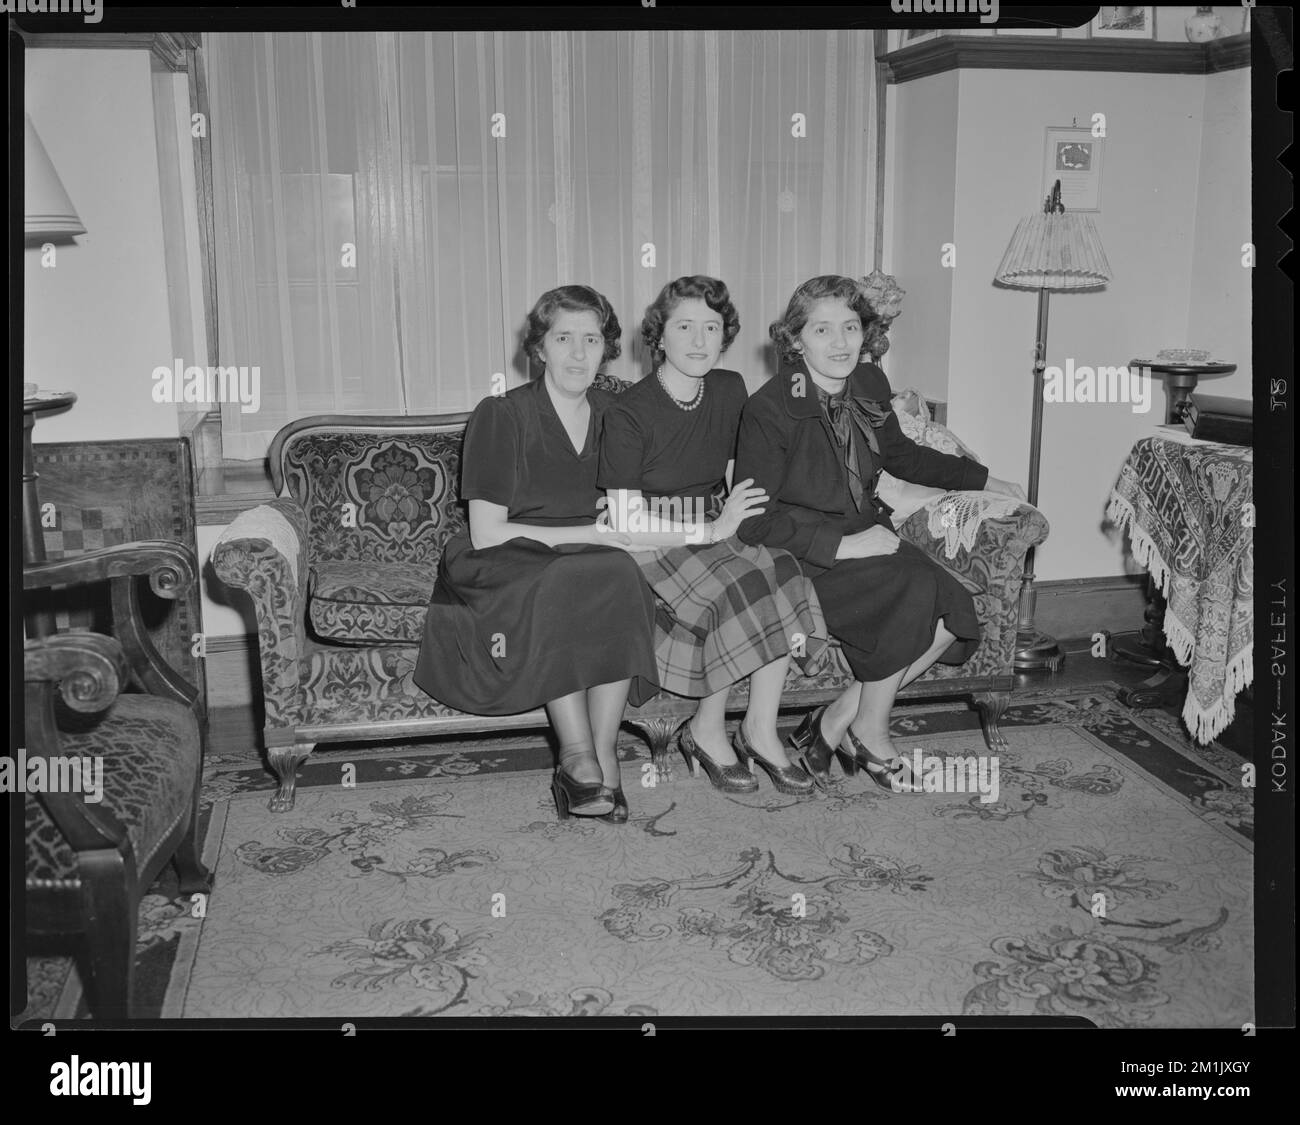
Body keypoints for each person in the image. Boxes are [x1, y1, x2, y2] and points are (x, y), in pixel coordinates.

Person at [734, 275, 1022, 791]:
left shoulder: (868, 384)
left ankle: (840, 719)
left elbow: (903, 456)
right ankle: (870, 729)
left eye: (850, 327)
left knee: (957, 613)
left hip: (868, 535)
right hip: (802, 553)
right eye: (822, 330)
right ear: (795, 340)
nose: (840, 342)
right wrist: (843, 545)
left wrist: (986, 479)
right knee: (916, 590)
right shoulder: (768, 407)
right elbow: (755, 520)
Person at [414, 285, 659, 822]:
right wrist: (597, 536)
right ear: (540, 348)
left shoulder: (619, 412)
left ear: (606, 348)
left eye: (591, 339)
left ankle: (602, 756)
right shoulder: (502, 414)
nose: (578, 353)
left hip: (594, 557)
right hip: (506, 555)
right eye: (564, 338)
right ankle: (575, 755)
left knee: (615, 571)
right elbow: (487, 532)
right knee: (575, 574)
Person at [597, 276, 828, 796]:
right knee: (738, 583)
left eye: (711, 327)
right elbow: (626, 518)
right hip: (651, 536)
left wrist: (742, 529)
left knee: (783, 568)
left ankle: (759, 729)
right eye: (684, 326)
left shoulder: (728, 388)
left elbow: (733, 475)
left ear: (725, 336)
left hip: (711, 524)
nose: (699, 340)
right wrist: (714, 530)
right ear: (659, 336)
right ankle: (706, 727)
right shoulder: (628, 412)